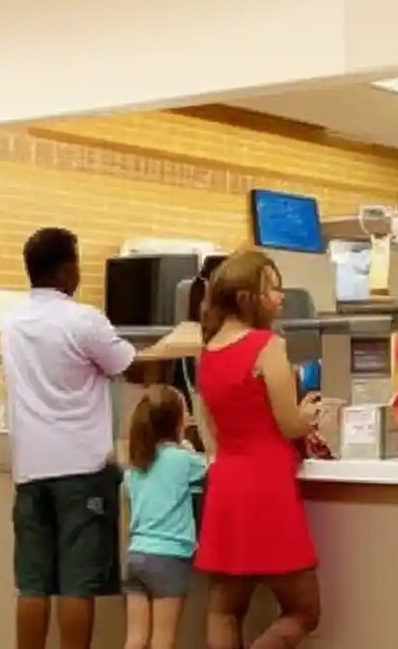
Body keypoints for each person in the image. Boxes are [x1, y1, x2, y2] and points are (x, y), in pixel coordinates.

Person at [0, 227, 137, 649]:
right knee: (78, 583)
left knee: (33, 584)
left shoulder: (12, 321)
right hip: (82, 470)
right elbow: (127, 364)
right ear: (66, 269)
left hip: (30, 469)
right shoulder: (83, 319)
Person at [194, 248, 323, 649]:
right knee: (305, 610)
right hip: (268, 485)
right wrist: (309, 413)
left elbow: (211, 429)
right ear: (250, 296)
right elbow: (288, 424)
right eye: (274, 289)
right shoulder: (267, 345)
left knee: (224, 609)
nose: (281, 297)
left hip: (227, 486)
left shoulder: (208, 350)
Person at [123, 384, 208, 649]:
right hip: (169, 558)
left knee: (135, 639)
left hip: (136, 555)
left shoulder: (134, 466)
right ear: (177, 421)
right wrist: (190, 445)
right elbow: (211, 467)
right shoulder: (183, 461)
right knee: (163, 641)